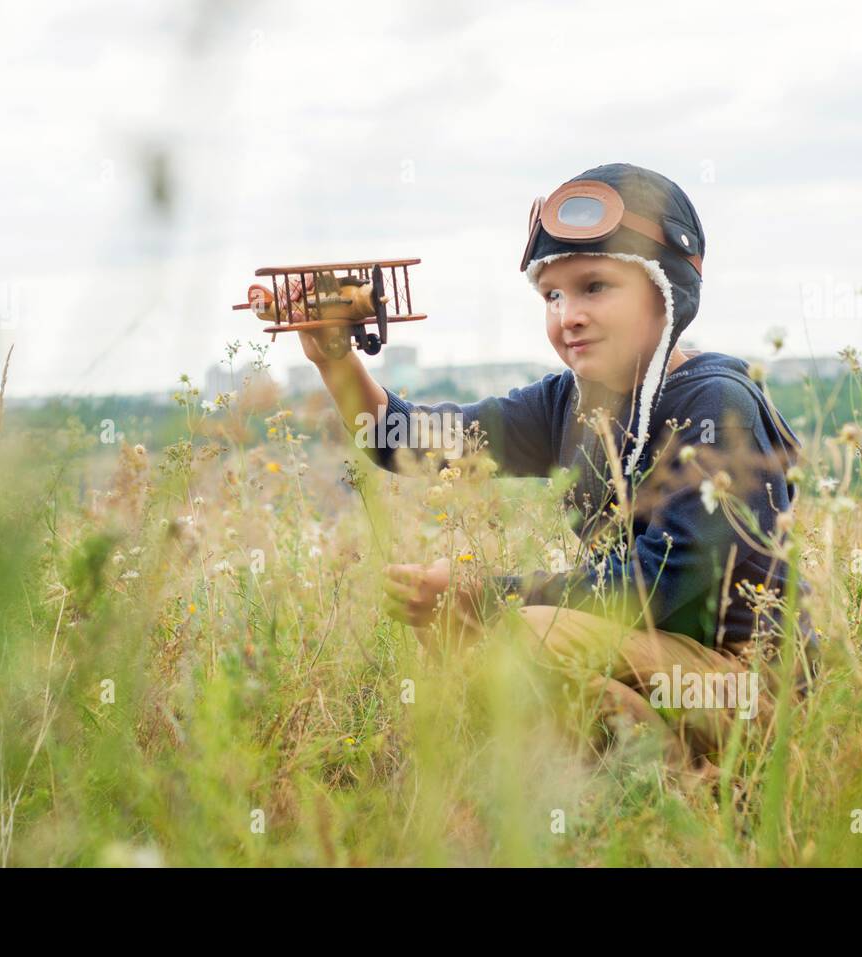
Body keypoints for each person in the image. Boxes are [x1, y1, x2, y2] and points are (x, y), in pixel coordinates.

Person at [299, 162, 819, 786]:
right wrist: (333, 357)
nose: (567, 315)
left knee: (524, 629)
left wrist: (485, 591)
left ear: (667, 293)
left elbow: (666, 588)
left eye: (595, 286)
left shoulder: (713, 402)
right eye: (552, 295)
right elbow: (401, 441)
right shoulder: (570, 401)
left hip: (747, 682)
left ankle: (700, 797)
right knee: (471, 632)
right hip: (660, 665)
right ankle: (625, 784)